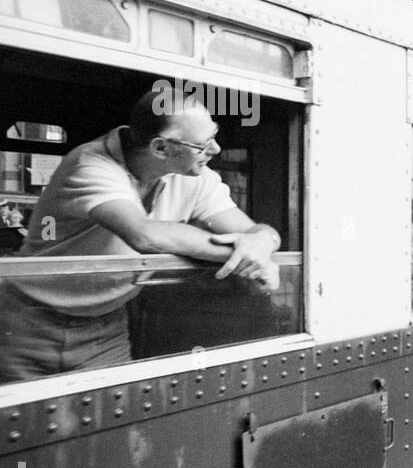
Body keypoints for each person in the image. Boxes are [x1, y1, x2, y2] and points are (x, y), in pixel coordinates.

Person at [0, 87, 280, 384]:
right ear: (161, 148)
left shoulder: (196, 178)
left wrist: (261, 242)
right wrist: (245, 257)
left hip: (105, 327)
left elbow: (253, 231)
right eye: (202, 144)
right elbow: (144, 235)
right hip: (25, 323)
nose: (215, 150)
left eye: (214, 134)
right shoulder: (89, 164)